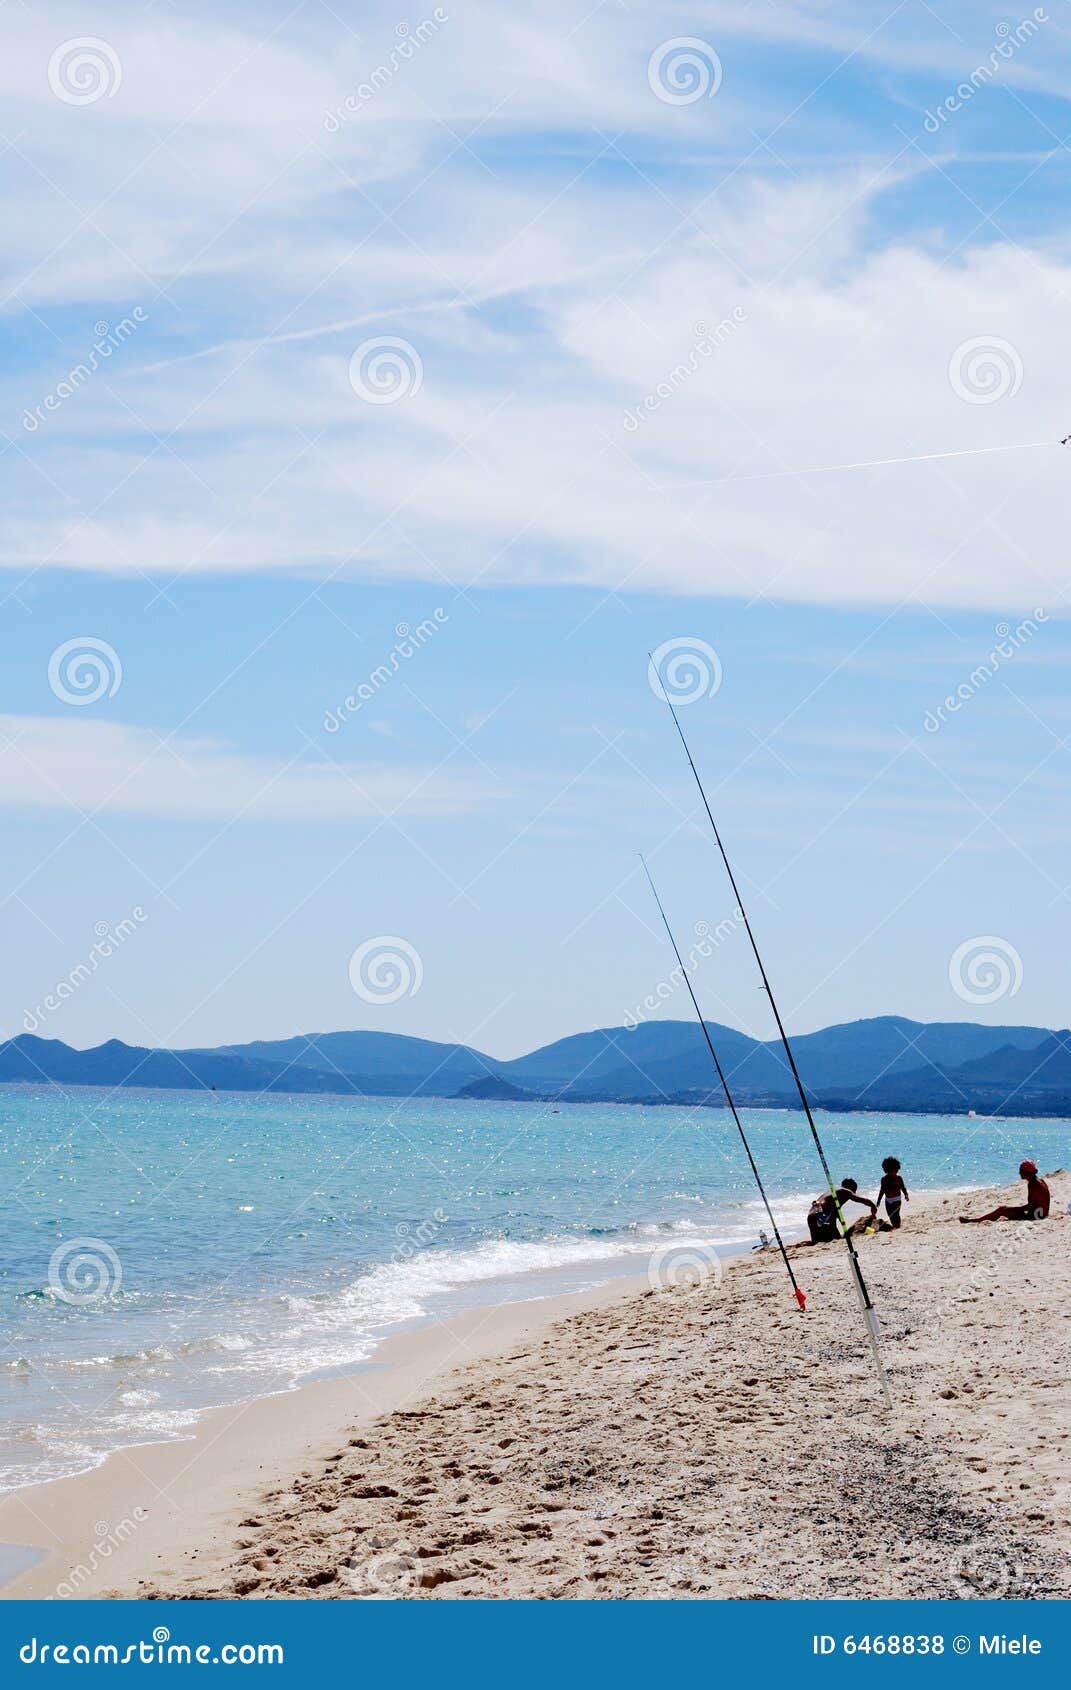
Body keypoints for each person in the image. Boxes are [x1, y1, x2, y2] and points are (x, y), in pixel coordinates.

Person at [959, 1161, 1050, 1224]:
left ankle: (975, 1220)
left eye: (1020, 1171)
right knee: (1004, 1209)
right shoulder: (1040, 1181)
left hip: (1036, 1216)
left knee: (1002, 1210)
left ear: (1026, 1173)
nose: (1019, 1173)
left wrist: (1013, 1208)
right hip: (1042, 1214)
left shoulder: (1033, 1184)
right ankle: (977, 1220)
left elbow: (1031, 1206)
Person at [806, 1177, 876, 1244]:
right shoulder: (845, 1191)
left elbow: (832, 1211)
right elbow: (860, 1199)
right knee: (832, 1236)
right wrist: (873, 1206)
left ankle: (805, 1244)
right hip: (820, 1214)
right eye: (854, 1191)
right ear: (851, 1188)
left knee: (817, 1241)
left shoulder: (834, 1192)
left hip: (812, 1214)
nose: (854, 1192)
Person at [876, 1155, 909, 1228]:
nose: (895, 1172)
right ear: (887, 1170)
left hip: (897, 1199)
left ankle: (897, 1226)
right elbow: (882, 1190)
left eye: (896, 1170)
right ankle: (895, 1226)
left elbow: (903, 1187)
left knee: (896, 1214)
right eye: (893, 1171)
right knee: (890, 1215)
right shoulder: (884, 1179)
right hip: (888, 1200)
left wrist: (906, 1195)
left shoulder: (899, 1178)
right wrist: (878, 1200)